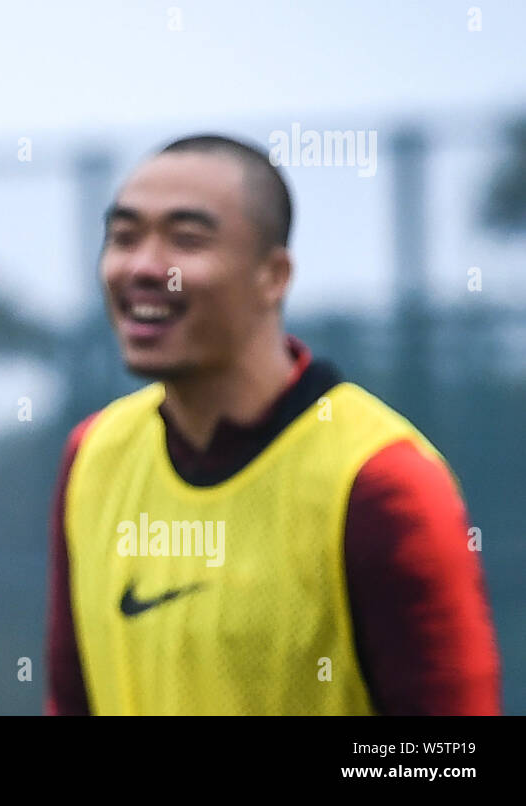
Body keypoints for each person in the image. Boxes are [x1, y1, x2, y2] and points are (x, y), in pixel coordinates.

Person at [46, 134, 501, 714]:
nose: (142, 266)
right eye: (124, 237)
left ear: (273, 275)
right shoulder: (92, 455)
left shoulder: (382, 481)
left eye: (186, 239)